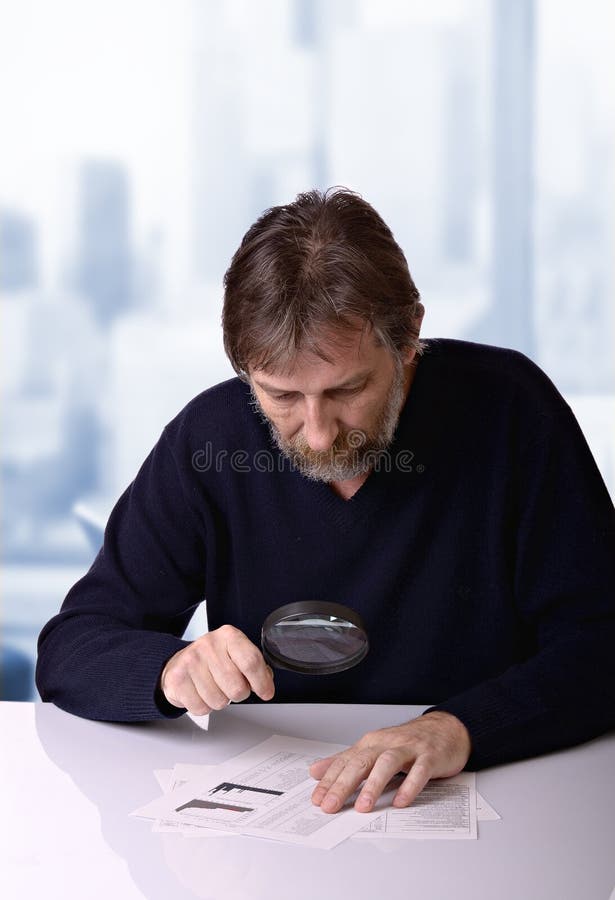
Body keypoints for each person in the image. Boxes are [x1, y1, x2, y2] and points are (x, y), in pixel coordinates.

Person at [36, 187, 615, 817]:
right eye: (281, 396)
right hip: (284, 807)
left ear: (409, 337)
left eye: (347, 390)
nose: (317, 434)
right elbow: (73, 646)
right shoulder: (209, 440)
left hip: (492, 793)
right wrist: (171, 669)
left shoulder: (512, 413)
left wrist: (461, 727)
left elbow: (599, 643)